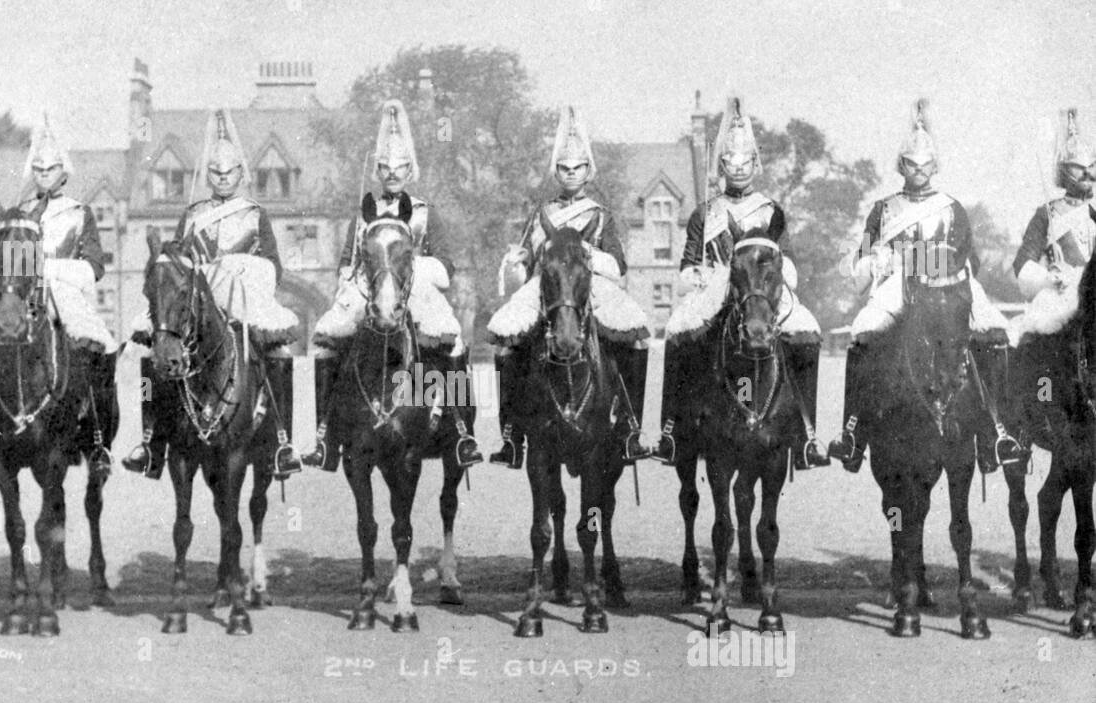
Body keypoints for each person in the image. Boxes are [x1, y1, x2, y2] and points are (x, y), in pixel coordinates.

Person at [827, 98, 1027, 474]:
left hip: (946, 283)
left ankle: (996, 432)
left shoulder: (952, 208)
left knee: (995, 333)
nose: (918, 171)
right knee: (863, 334)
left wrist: (945, 263)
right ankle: (852, 431)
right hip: (896, 284)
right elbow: (862, 261)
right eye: (911, 165)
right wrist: (879, 261)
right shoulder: (883, 209)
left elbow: (973, 259)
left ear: (935, 166)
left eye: (925, 165)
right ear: (901, 165)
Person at [122, 109, 302, 480]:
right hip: (199, 305)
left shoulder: (255, 214)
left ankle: (282, 441)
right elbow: (177, 257)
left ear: (241, 173)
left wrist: (244, 269)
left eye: (230, 172)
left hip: (243, 303)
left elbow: (273, 265)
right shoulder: (193, 214)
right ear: (208, 176)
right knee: (153, 356)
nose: (223, 179)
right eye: (216, 174)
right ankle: (151, 441)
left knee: (278, 355)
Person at [0, 112, 118, 475]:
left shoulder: (79, 214)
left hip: (62, 289)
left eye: (51, 170)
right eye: (39, 169)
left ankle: (97, 441)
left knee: (100, 342)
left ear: (63, 172)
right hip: (18, 292)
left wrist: (51, 270)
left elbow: (94, 267)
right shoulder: (17, 213)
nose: (45, 175)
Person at [303, 99, 481, 471]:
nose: (392, 175)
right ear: (378, 171)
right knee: (326, 342)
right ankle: (324, 434)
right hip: (369, 288)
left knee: (451, 340)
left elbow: (445, 261)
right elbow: (347, 260)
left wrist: (414, 268)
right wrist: (349, 283)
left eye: (399, 168)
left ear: (410, 170)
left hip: (416, 287)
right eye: (385, 168)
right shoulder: (363, 214)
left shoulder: (425, 212)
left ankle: (462, 428)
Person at [653, 95, 828, 470]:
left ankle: (807, 433)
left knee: (807, 333)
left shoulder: (770, 209)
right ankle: (669, 428)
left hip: (761, 290)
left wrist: (777, 274)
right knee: (678, 332)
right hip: (717, 288)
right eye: (730, 162)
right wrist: (696, 275)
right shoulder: (706, 212)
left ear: (755, 163)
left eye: (745, 161)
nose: (738, 168)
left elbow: (788, 258)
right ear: (722, 166)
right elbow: (687, 264)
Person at [486, 105, 651, 469]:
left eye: (577, 168)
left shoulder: (600, 214)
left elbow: (618, 265)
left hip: (588, 283)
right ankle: (511, 434)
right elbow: (528, 258)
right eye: (564, 168)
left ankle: (629, 427)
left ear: (588, 171)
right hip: (547, 284)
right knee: (506, 336)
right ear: (556, 171)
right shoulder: (541, 213)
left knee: (633, 334)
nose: (571, 175)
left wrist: (585, 252)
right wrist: (517, 261)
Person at [1011, 108, 1095, 339]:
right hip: (1063, 292)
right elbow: (1023, 262)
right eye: (1079, 169)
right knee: (1040, 337)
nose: (1087, 175)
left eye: (1091, 167)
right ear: (1065, 172)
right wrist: (1050, 278)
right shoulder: (1047, 213)